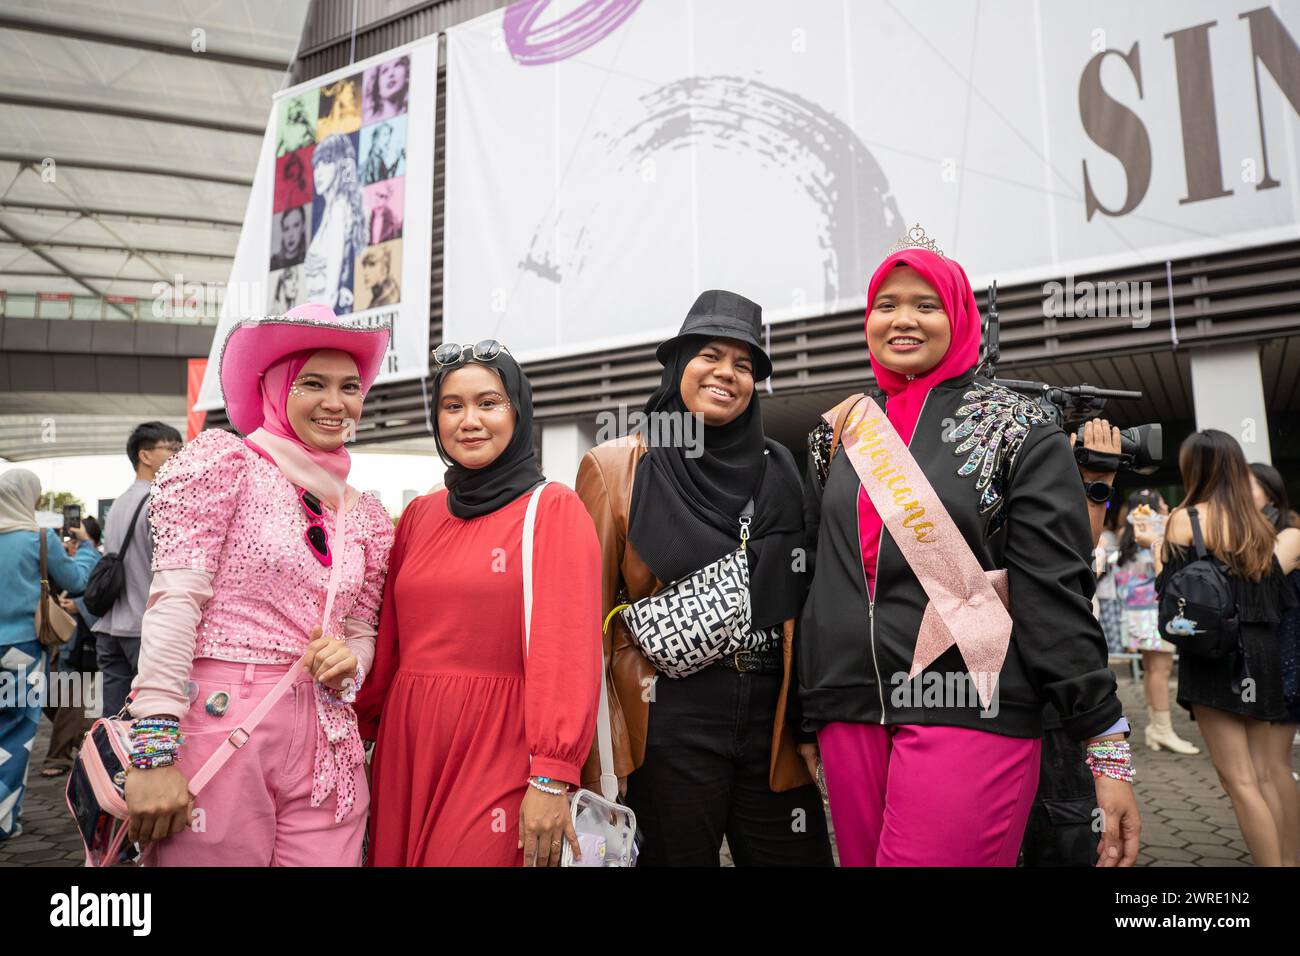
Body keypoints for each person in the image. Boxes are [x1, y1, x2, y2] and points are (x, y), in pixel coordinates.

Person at [799, 230, 1140, 867]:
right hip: (850, 709)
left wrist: (1104, 737)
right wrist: (808, 710)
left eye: (926, 305)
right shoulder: (839, 433)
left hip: (970, 701)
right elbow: (820, 577)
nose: (902, 320)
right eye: (886, 304)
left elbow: (1053, 590)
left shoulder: (1019, 426)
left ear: (958, 318)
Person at [123, 303, 394, 866]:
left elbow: (361, 630)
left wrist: (351, 662)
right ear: (275, 386)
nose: (335, 402)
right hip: (220, 726)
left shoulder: (366, 515)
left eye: (350, 386)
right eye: (312, 383)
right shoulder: (226, 465)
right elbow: (174, 604)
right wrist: (152, 753)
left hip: (329, 743)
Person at [575, 291, 832, 867]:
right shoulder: (616, 468)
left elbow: (805, 596)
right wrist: (579, 756)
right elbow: (583, 620)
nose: (727, 374)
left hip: (771, 719)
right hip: (666, 715)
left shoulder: (779, 468)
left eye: (744, 365)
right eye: (710, 356)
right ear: (678, 366)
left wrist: (809, 722)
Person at [356, 341, 602, 867]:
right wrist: (361, 732)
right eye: (452, 406)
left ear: (518, 411)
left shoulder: (553, 508)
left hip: (503, 744)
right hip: (410, 743)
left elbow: (568, 649)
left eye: (488, 403)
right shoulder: (420, 515)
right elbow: (391, 640)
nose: (470, 420)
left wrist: (552, 774)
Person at [1147, 431, 1296, 866]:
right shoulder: (1260, 522)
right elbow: (1272, 594)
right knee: (1268, 775)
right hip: (1262, 653)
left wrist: (1156, 549)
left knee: (1240, 781)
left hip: (1214, 655)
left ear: (1198, 468)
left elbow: (1169, 590)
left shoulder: (1183, 519)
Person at [0, 469, 98, 840]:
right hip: (21, 649)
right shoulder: (37, 539)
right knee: (15, 731)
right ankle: (4, 819)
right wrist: (87, 549)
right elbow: (77, 582)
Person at [93, 422, 181, 718]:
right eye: (173, 448)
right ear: (145, 455)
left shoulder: (118, 503)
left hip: (109, 628)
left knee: (113, 720)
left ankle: (105, 765)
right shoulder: (160, 499)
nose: (180, 454)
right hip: (144, 628)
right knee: (150, 720)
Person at [1117, 489, 1199, 755]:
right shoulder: (1156, 536)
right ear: (1150, 508)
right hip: (1155, 609)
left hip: (1135, 613)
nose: (1166, 505)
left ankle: (1157, 727)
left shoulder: (1125, 537)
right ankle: (1162, 730)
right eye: (1162, 501)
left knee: (1152, 670)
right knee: (1161, 671)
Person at [1248, 462, 1300, 864]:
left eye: (1247, 486)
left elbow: (1260, 580)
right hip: (1267, 659)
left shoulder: (1291, 534)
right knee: (1263, 767)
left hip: (1287, 659)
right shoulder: (1259, 533)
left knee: (1273, 766)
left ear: (1271, 492)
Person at [42, 515, 104, 777]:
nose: (73, 544)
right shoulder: (68, 561)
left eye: (77, 539)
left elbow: (103, 600)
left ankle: (58, 757)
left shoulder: (98, 561)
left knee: (70, 699)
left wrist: (78, 607)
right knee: (49, 697)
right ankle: (86, 739)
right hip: (62, 642)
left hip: (84, 645)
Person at [304, 134, 365, 312]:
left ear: (339, 165)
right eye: (317, 165)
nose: (319, 172)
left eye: (327, 162)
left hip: (324, 320)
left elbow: (331, 290)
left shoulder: (338, 210)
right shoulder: (330, 210)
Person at [365, 56, 409, 122]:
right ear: (377, 87)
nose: (391, 74)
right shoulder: (370, 122)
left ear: (407, 76)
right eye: (385, 71)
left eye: (397, 65)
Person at [270, 206, 308, 271]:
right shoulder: (273, 263)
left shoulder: (309, 259)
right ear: (282, 233)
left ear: (303, 226)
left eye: (296, 225)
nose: (290, 235)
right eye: (286, 229)